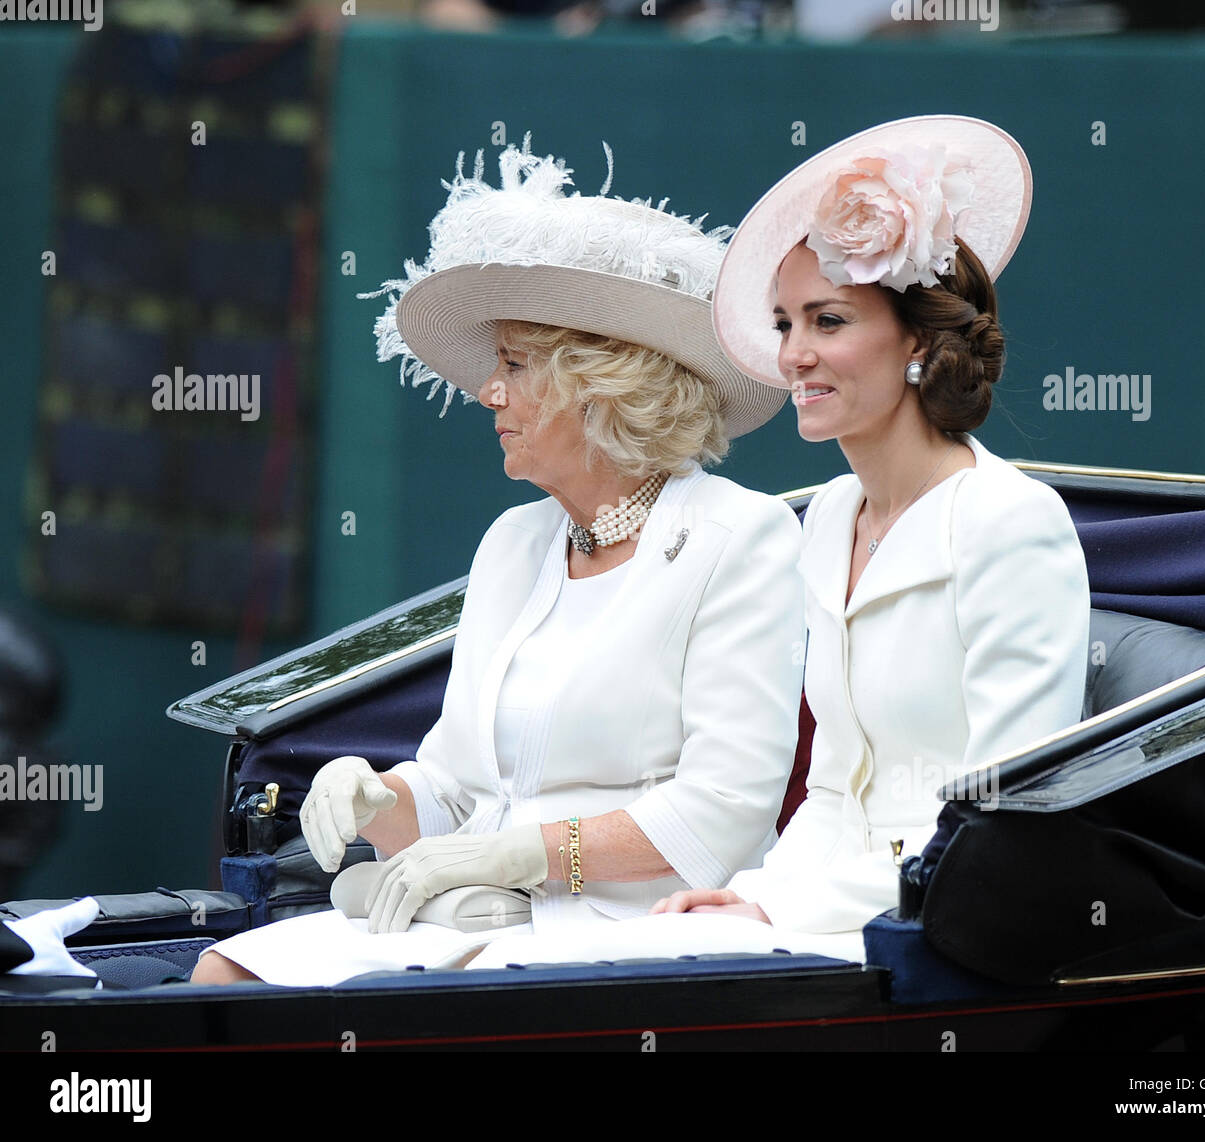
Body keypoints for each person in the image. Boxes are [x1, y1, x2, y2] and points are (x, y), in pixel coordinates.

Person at [466, 115, 1091, 969]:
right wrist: (755, 897)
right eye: (784, 323)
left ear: (917, 341)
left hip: (943, 936)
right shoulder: (831, 515)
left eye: (827, 321)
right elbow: (834, 787)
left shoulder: (1010, 522)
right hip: (823, 921)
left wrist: (780, 911)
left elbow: (994, 816)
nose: (794, 354)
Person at [190, 136, 802, 986]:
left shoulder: (742, 537)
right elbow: (454, 791)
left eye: (515, 365)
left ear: (603, 385)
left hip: (642, 936)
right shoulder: (515, 542)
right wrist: (378, 797)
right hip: (473, 918)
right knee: (225, 975)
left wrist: (522, 857)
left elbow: (723, 814)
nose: (489, 392)